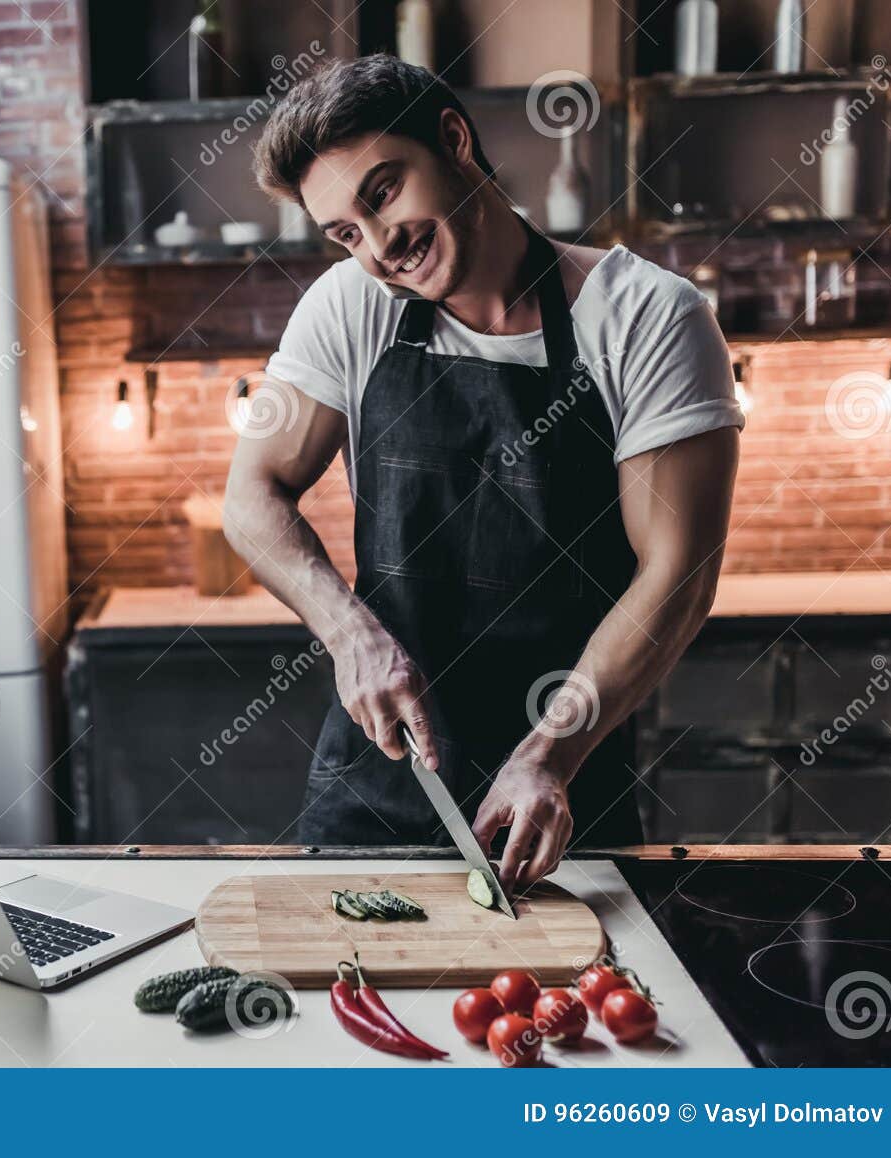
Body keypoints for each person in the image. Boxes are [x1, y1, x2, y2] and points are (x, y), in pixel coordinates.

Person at [223, 55, 742, 888]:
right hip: (377, 787)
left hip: (564, 796)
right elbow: (251, 494)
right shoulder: (347, 307)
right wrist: (349, 634)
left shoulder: (646, 316)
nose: (380, 247)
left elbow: (677, 574)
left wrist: (551, 752)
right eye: (346, 232)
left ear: (455, 140)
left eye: (384, 191)